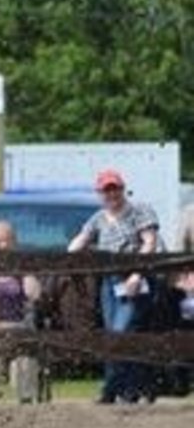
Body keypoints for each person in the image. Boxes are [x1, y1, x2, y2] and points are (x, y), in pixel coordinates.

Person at [68, 168, 161, 405]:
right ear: (100, 194)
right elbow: (79, 240)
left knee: (121, 332)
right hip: (109, 282)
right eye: (106, 190)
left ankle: (111, 389)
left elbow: (149, 243)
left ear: (122, 189)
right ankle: (130, 390)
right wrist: (70, 253)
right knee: (114, 335)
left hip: (135, 279)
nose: (111, 194)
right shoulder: (98, 218)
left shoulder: (141, 211)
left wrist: (137, 275)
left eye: (115, 188)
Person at [0, 219, 43, 402]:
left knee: (26, 345)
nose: (4, 245)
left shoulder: (21, 269)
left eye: (8, 240)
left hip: (18, 323)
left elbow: (35, 296)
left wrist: (27, 273)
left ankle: (25, 396)